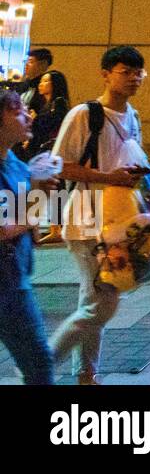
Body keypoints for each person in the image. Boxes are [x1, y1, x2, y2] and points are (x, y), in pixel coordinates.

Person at [49, 46, 150, 385]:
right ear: (106, 73)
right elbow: (60, 165)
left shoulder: (132, 116)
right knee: (101, 305)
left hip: (117, 223)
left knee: (94, 302)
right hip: (86, 223)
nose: (135, 78)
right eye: (126, 71)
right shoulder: (85, 114)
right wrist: (110, 178)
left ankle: (86, 374)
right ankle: (40, 365)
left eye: (139, 72)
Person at [0, 88, 54, 384]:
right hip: (8, 288)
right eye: (18, 111)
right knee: (39, 364)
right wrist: (37, 203)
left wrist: (43, 194)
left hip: (14, 279)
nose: (29, 116)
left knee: (38, 363)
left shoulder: (20, 166)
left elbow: (30, 227)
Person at [25, 70, 70, 246]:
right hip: (48, 152)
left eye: (45, 81)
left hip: (53, 153)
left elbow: (51, 124)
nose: (41, 84)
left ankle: (56, 229)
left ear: (54, 84)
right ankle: (54, 228)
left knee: (55, 188)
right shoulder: (48, 104)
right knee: (51, 189)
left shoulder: (58, 103)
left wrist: (35, 119)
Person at [16, 48, 53, 113]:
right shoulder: (26, 84)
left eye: (31, 62)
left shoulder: (46, 87)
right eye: (26, 62)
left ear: (43, 65)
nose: (26, 65)